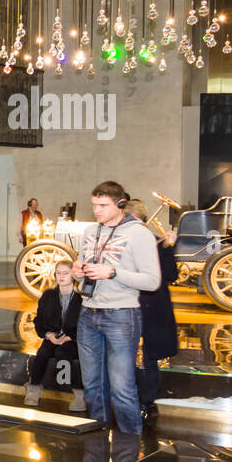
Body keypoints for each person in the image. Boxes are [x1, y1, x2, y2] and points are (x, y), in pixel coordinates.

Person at [71, 181, 162, 435]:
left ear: (120, 204)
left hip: (122, 316)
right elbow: (84, 269)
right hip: (88, 314)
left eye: (103, 205)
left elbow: (152, 281)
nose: (96, 210)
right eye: (94, 205)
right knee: (92, 386)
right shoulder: (90, 231)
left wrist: (112, 272)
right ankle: (98, 439)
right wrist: (77, 271)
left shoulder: (139, 234)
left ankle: (130, 445)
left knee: (122, 388)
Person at [126, 199, 179, 426]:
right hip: (137, 304)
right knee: (132, 358)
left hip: (147, 305)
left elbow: (170, 274)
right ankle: (140, 402)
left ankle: (146, 402)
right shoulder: (141, 242)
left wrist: (168, 249)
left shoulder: (153, 243)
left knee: (146, 358)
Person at [24, 261, 86, 411]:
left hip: (73, 338)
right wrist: (48, 334)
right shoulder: (49, 295)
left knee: (63, 353)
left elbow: (86, 323)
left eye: (66, 273)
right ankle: (34, 389)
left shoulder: (81, 298)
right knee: (43, 353)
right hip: (53, 336)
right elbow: (39, 319)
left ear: (73, 275)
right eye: (59, 273)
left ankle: (79, 395)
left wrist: (71, 336)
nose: (62, 276)